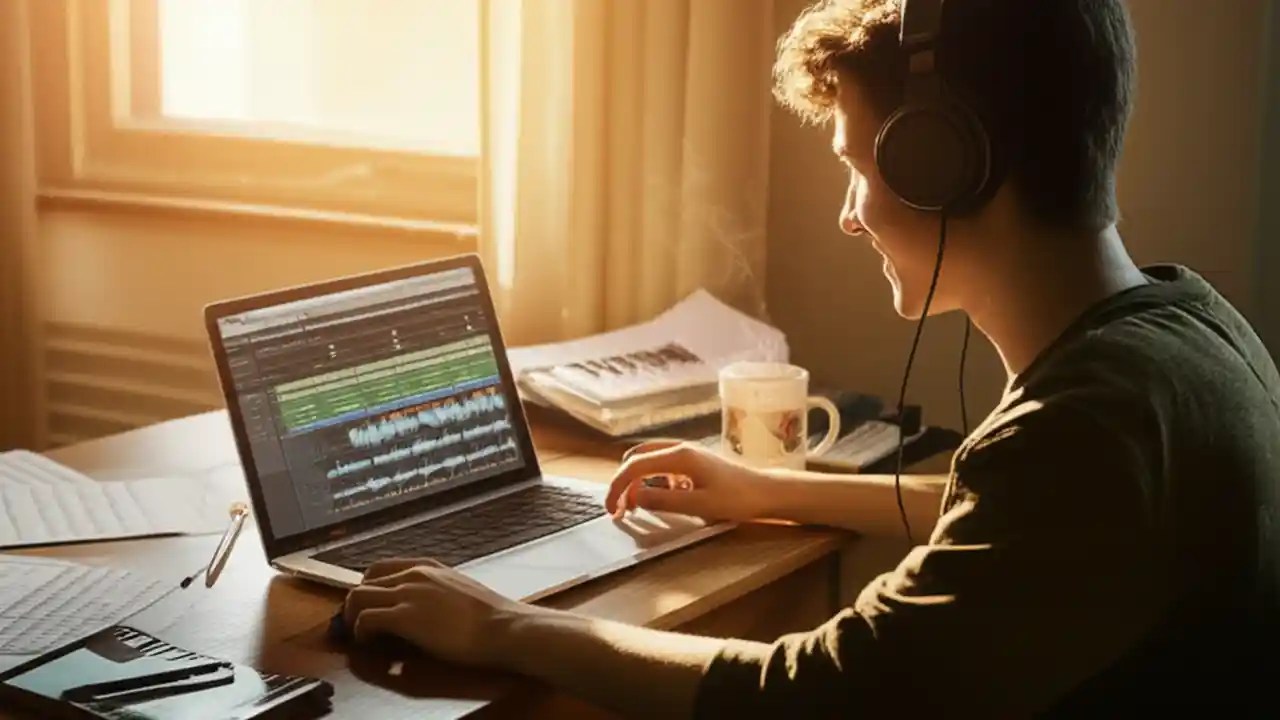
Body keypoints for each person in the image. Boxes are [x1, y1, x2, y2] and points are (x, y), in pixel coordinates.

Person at [342, 0, 1280, 716]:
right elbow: (1005, 512)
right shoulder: (1186, 328)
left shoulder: (1084, 430)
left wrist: (504, 626)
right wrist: (771, 489)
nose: (847, 211)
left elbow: (814, 693)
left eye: (858, 167)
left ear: (943, 164)